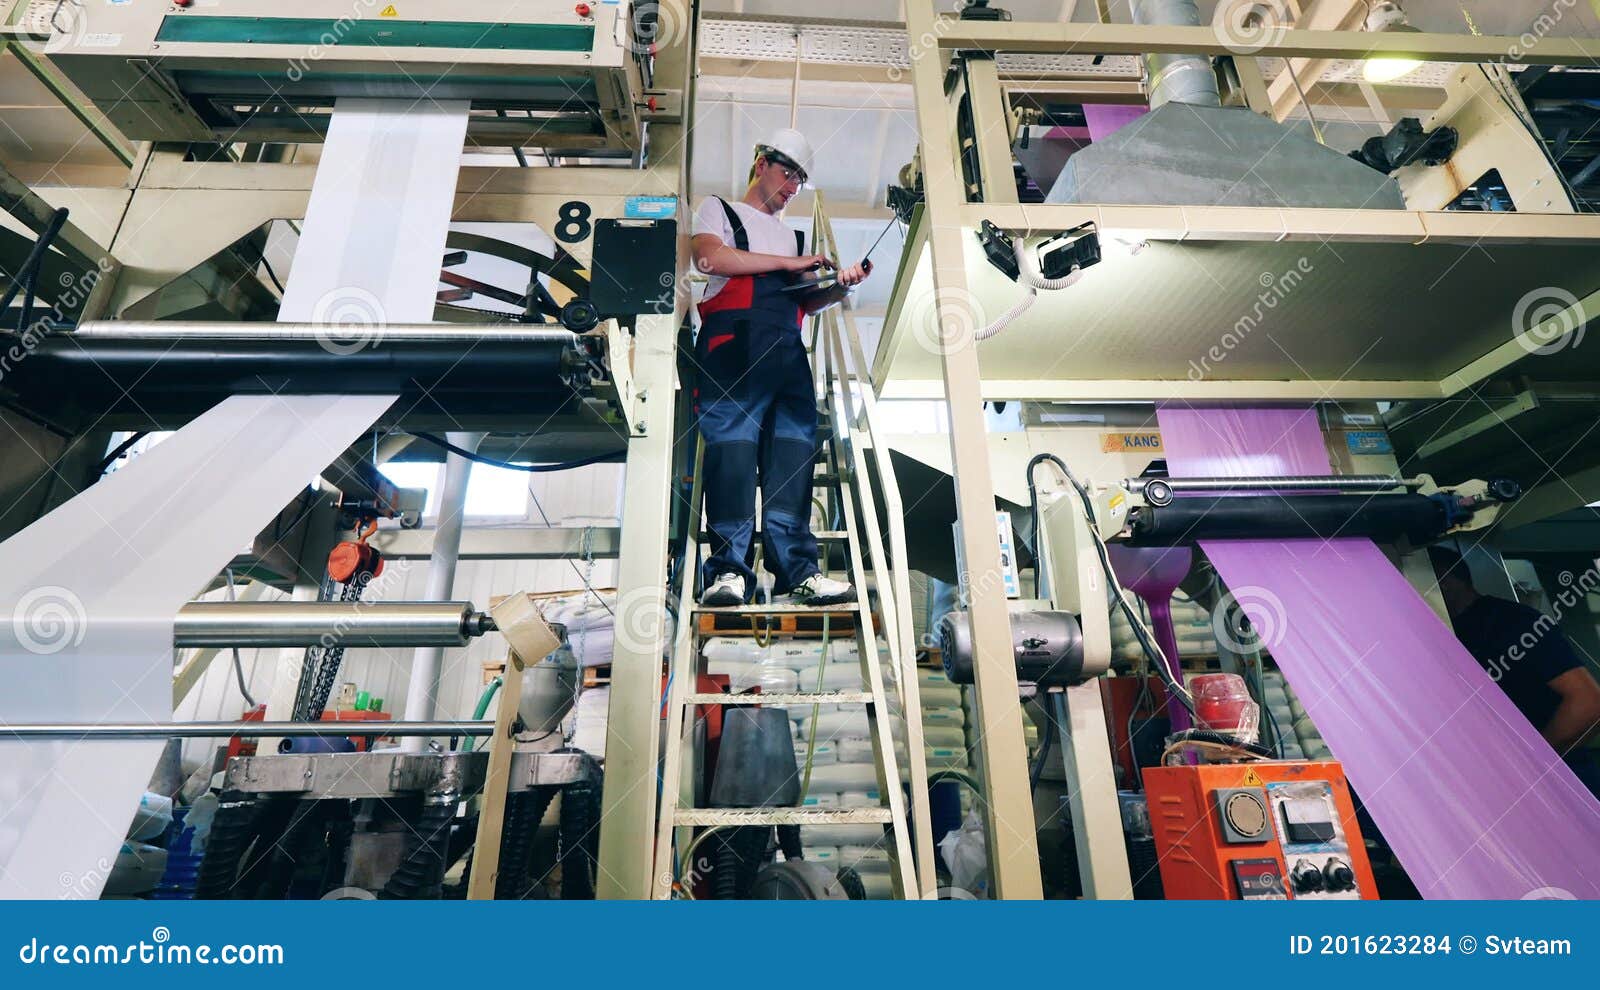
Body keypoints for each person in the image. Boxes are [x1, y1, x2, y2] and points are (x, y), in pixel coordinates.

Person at [689, 129, 871, 606]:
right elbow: (710, 258)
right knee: (732, 456)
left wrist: (841, 285)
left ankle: (798, 572)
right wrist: (790, 264)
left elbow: (808, 302)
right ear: (761, 162)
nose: (793, 187)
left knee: (792, 456)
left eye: (800, 180)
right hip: (733, 349)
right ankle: (729, 572)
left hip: (788, 353)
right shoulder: (719, 210)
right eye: (788, 173)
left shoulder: (795, 237)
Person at [1429, 545, 1600, 795]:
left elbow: (1589, 704)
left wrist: (1531, 767)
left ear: (1443, 581)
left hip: (1562, 787)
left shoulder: (1512, 623)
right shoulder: (1447, 634)